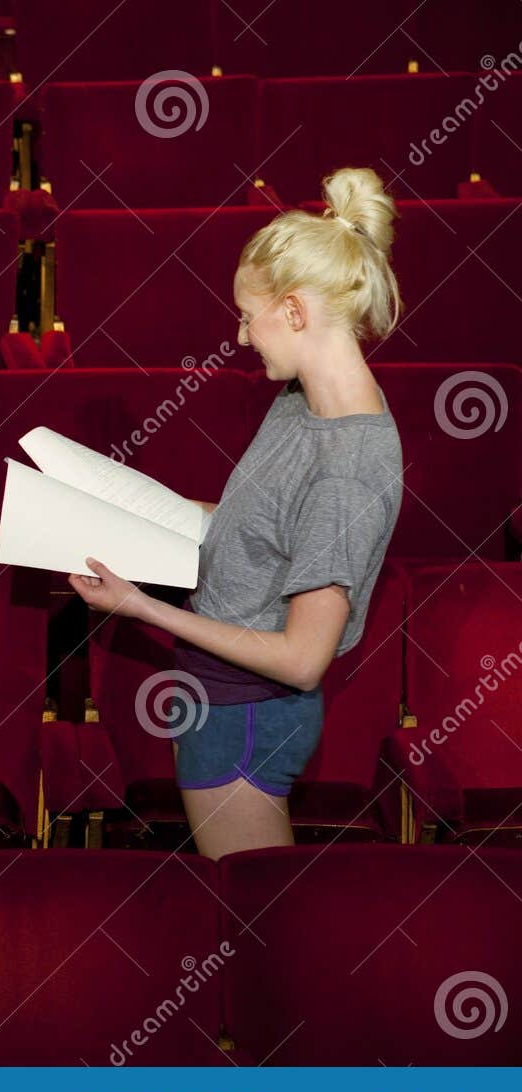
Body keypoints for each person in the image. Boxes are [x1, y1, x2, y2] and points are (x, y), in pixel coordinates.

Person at [68, 167, 404, 860]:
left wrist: (142, 608)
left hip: (246, 714)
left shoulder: (346, 469)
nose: (244, 338)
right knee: (247, 917)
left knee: (255, 924)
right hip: (223, 699)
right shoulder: (302, 401)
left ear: (295, 312)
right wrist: (127, 508)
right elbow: (267, 522)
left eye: (249, 318)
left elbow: (304, 659)